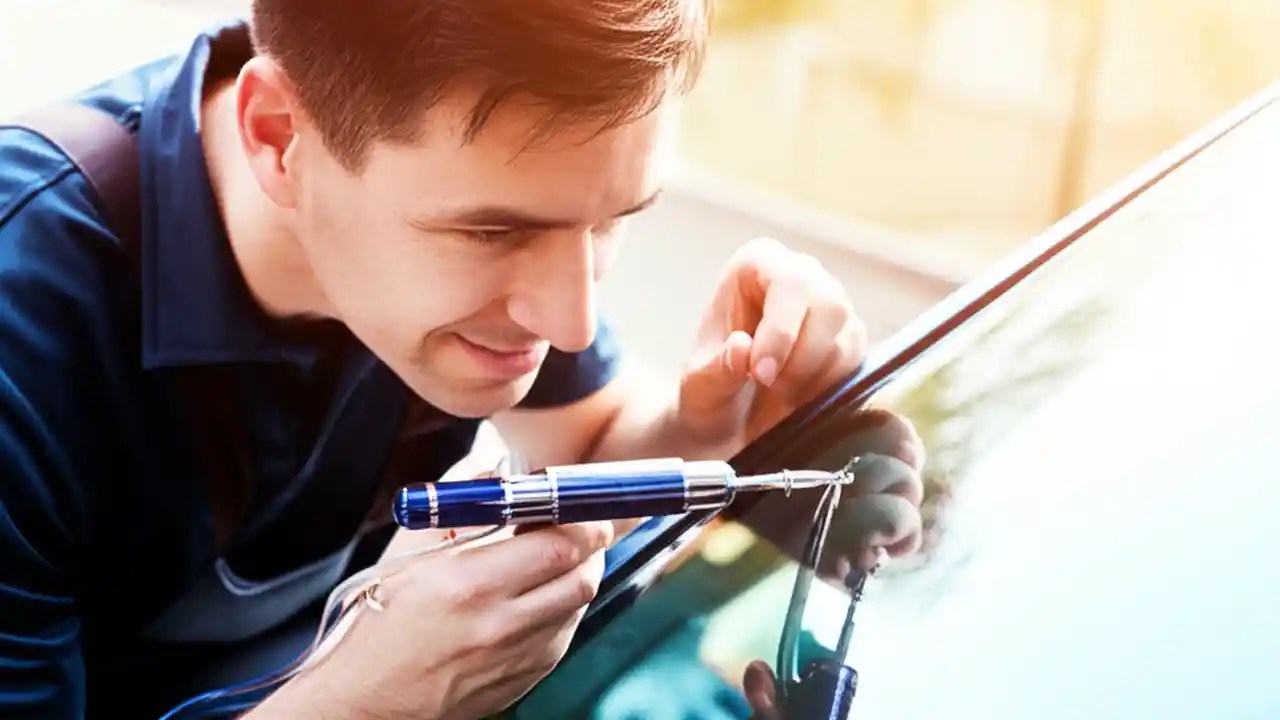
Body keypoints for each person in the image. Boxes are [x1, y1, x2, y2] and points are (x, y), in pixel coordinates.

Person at [0, 2, 925, 718]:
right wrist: (360, 701)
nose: (570, 320)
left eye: (611, 221)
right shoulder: (23, 328)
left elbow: (592, 436)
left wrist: (722, 429)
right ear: (281, 136)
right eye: (493, 231)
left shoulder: (446, 204)